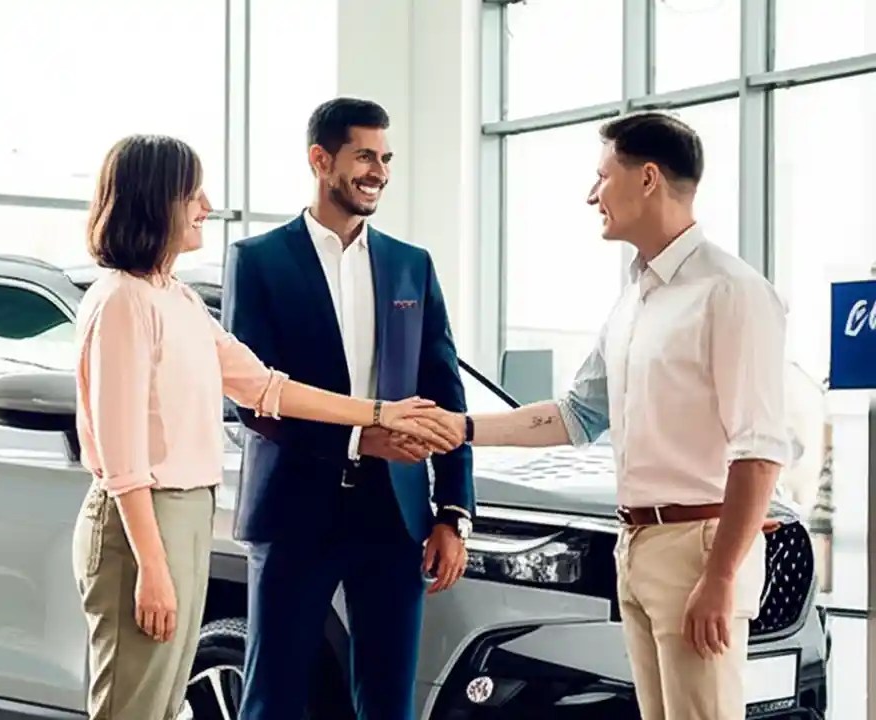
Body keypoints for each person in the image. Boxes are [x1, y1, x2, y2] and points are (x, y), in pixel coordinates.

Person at [71, 133, 465, 720]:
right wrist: (152, 567)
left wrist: (377, 414)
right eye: (192, 193)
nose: (205, 205)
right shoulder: (124, 302)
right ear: (157, 200)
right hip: (143, 522)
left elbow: (268, 387)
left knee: (156, 703)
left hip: (183, 514)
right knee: (133, 706)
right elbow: (124, 460)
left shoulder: (174, 298)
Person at [460, 111, 790, 720]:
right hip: (635, 546)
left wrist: (719, 578)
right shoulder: (636, 299)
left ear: (648, 179)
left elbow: (760, 449)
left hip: (698, 549)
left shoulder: (731, 292)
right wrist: (460, 431)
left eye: (602, 176)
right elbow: (576, 415)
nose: (592, 195)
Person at [223, 97, 475, 720]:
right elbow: (251, 402)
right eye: (365, 155)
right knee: (274, 698)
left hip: (394, 515)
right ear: (321, 159)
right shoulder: (257, 262)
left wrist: (452, 511)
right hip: (294, 512)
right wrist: (361, 438)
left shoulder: (411, 265)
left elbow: (446, 393)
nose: (380, 172)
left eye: (386, 158)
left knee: (390, 705)